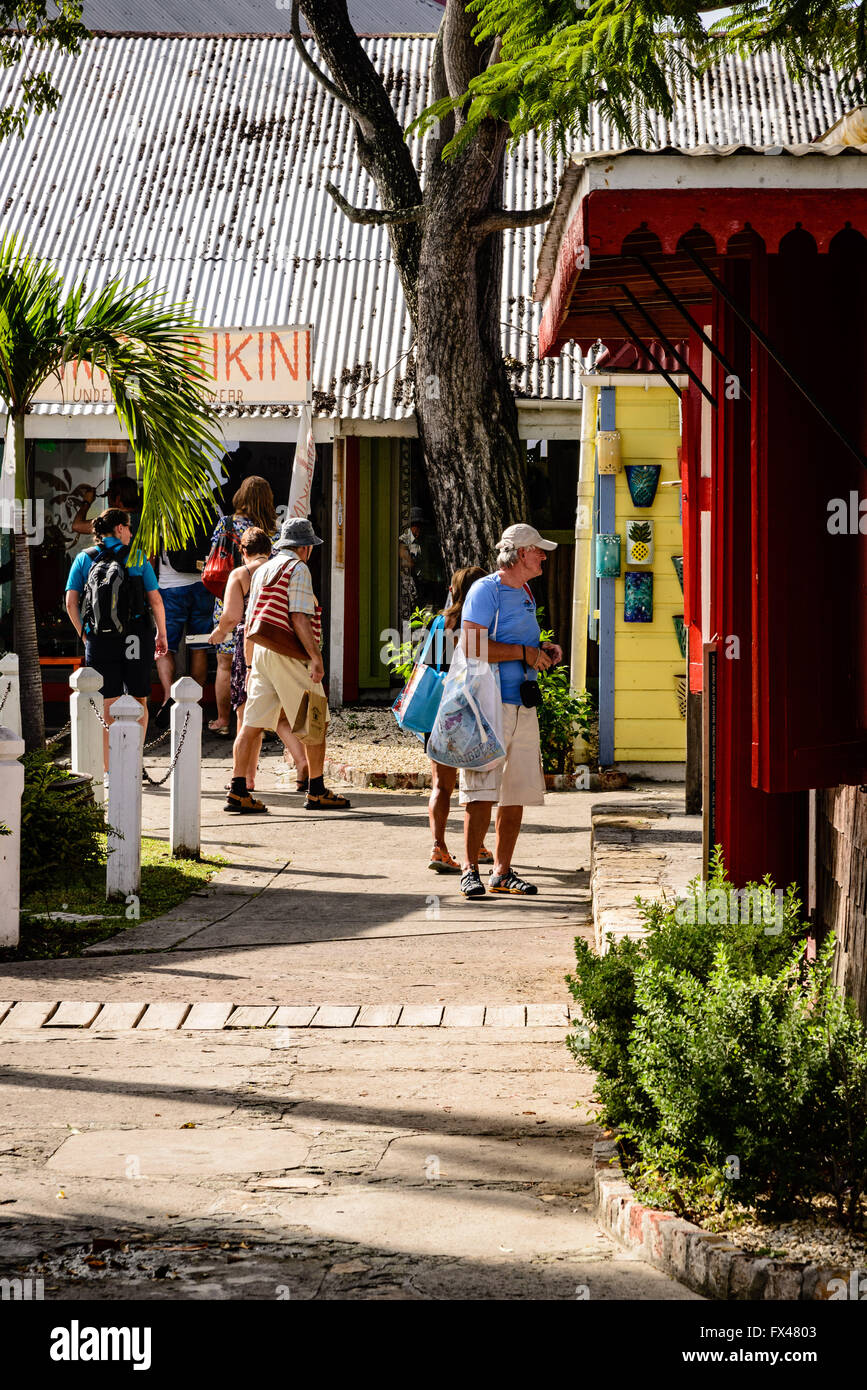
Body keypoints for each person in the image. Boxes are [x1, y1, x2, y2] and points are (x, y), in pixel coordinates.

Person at [458, 523, 563, 899]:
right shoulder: (485, 590)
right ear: (521, 554)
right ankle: (469, 868)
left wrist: (543, 647)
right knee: (481, 790)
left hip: (521, 703)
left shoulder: (525, 592)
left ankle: (501, 871)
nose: (543, 556)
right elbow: (471, 645)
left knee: (515, 791)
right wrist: (524, 653)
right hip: (489, 704)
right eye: (538, 550)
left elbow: (519, 640)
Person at [225, 516, 350, 814]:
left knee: (252, 724)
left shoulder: (261, 569)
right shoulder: (298, 569)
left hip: (262, 654)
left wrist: (251, 665)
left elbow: (252, 618)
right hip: (290, 654)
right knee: (314, 718)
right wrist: (315, 657)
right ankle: (316, 789)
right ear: (304, 547)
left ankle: (238, 789)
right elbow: (299, 617)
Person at [64, 508, 167, 769]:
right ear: (119, 528)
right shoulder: (137, 557)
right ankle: (134, 763)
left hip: (100, 639)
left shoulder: (83, 558)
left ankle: (109, 767)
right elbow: (155, 599)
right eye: (129, 528)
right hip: (135, 636)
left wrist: (84, 634)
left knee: (106, 703)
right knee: (138, 698)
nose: (131, 533)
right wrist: (161, 633)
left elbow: (70, 602)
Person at [208, 526, 309, 792]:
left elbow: (231, 615)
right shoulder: (282, 568)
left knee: (247, 716)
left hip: (252, 645)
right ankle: (302, 763)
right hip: (284, 642)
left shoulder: (241, 573)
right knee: (282, 716)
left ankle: (245, 778)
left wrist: (218, 633)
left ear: (243, 551)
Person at [426, 565, 494, 873]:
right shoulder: (477, 624)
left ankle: (438, 848)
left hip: (438, 711)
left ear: (453, 589)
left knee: (442, 784)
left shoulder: (440, 623)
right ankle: (476, 846)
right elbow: (477, 667)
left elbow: (427, 666)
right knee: (475, 785)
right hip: (467, 713)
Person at [209, 476, 278, 736]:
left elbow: (214, 555)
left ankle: (224, 720)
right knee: (265, 664)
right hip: (265, 605)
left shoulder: (226, 524)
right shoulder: (274, 531)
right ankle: (267, 723)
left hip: (230, 596)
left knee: (225, 663)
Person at [152, 513, 215, 726]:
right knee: (199, 646)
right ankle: (194, 703)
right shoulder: (208, 506)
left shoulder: (165, 509)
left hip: (170, 585)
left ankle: (168, 698)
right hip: (202, 583)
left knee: (165, 646)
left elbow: (152, 552)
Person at [71, 475, 140, 538]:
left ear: (117, 499)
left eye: (108, 496)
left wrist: (86, 502)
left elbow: (77, 526)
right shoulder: (141, 517)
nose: (108, 502)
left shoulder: (115, 520)